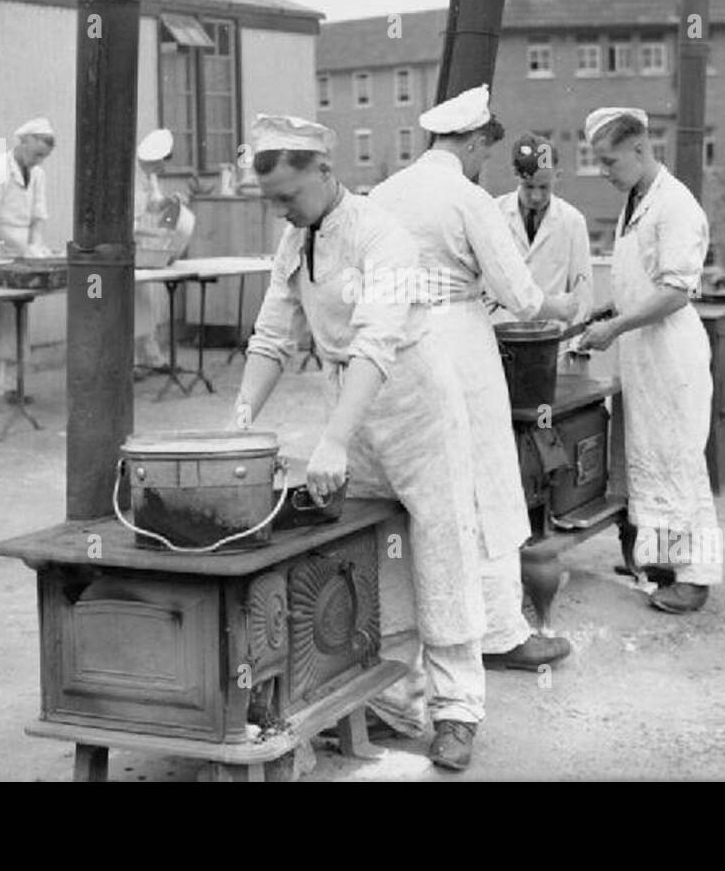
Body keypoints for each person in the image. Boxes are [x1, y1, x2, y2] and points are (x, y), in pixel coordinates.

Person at [230, 113, 487, 771]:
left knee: (441, 545)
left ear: (324, 171)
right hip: (352, 406)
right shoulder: (296, 241)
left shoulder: (385, 236)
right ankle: (395, 699)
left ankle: (458, 711)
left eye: (289, 196)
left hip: (413, 402)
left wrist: (332, 441)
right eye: (272, 202)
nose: (282, 212)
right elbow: (272, 337)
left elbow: (376, 343)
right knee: (371, 557)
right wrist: (239, 419)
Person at [368, 85, 578, 674]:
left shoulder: (381, 195)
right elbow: (520, 296)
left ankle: (403, 644)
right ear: (471, 141)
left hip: (396, 346)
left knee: (414, 492)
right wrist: (561, 307)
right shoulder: (467, 197)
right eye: (484, 150)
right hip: (459, 345)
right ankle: (499, 633)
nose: (484, 161)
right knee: (485, 483)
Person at [575, 107, 721, 613]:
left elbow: (676, 293)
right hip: (644, 352)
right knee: (651, 460)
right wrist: (611, 308)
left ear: (639, 149)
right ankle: (660, 562)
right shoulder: (636, 198)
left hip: (671, 355)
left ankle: (696, 577)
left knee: (679, 463)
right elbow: (644, 281)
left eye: (610, 161)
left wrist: (615, 327)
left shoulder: (676, 204)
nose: (605, 172)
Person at [489, 132, 595, 366]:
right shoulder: (492, 214)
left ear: (558, 176)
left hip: (549, 344)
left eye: (544, 187)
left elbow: (583, 290)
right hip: (499, 339)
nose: (536, 196)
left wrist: (577, 349)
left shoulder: (572, 220)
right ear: (516, 175)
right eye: (529, 186)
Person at [0, 116, 55, 401]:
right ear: (22, 142)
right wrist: (17, 246)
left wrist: (36, 245)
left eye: (43, 157)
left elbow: (39, 215)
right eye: (35, 154)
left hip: (23, 253)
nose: (38, 161)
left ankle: (12, 385)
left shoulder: (38, 174)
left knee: (19, 315)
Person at [132, 128, 194, 372]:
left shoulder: (150, 177)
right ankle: (130, 362)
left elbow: (154, 205)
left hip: (139, 243)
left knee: (144, 303)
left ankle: (151, 357)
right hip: (122, 240)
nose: (162, 169)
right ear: (152, 159)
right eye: (160, 164)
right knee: (126, 305)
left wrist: (170, 201)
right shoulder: (128, 173)